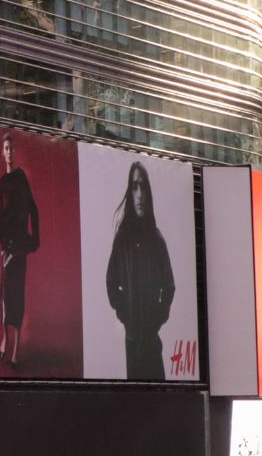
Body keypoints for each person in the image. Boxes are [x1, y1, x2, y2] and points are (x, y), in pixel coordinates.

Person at [104, 161, 176, 379]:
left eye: (143, 186)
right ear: (130, 190)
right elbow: (111, 281)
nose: (139, 195)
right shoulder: (123, 239)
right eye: (134, 186)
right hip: (132, 341)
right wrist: (125, 314)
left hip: (152, 341)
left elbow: (169, 286)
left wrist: (158, 318)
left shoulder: (157, 239)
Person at [0, 133, 39, 367]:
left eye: (12, 149)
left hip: (19, 245)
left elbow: (31, 208)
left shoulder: (20, 177)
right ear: (2, 152)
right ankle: (5, 339)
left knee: (16, 294)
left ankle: (15, 350)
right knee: (5, 294)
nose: (9, 152)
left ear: (15, 152)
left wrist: (35, 238)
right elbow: (4, 211)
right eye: (6, 148)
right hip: (6, 244)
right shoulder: (2, 181)